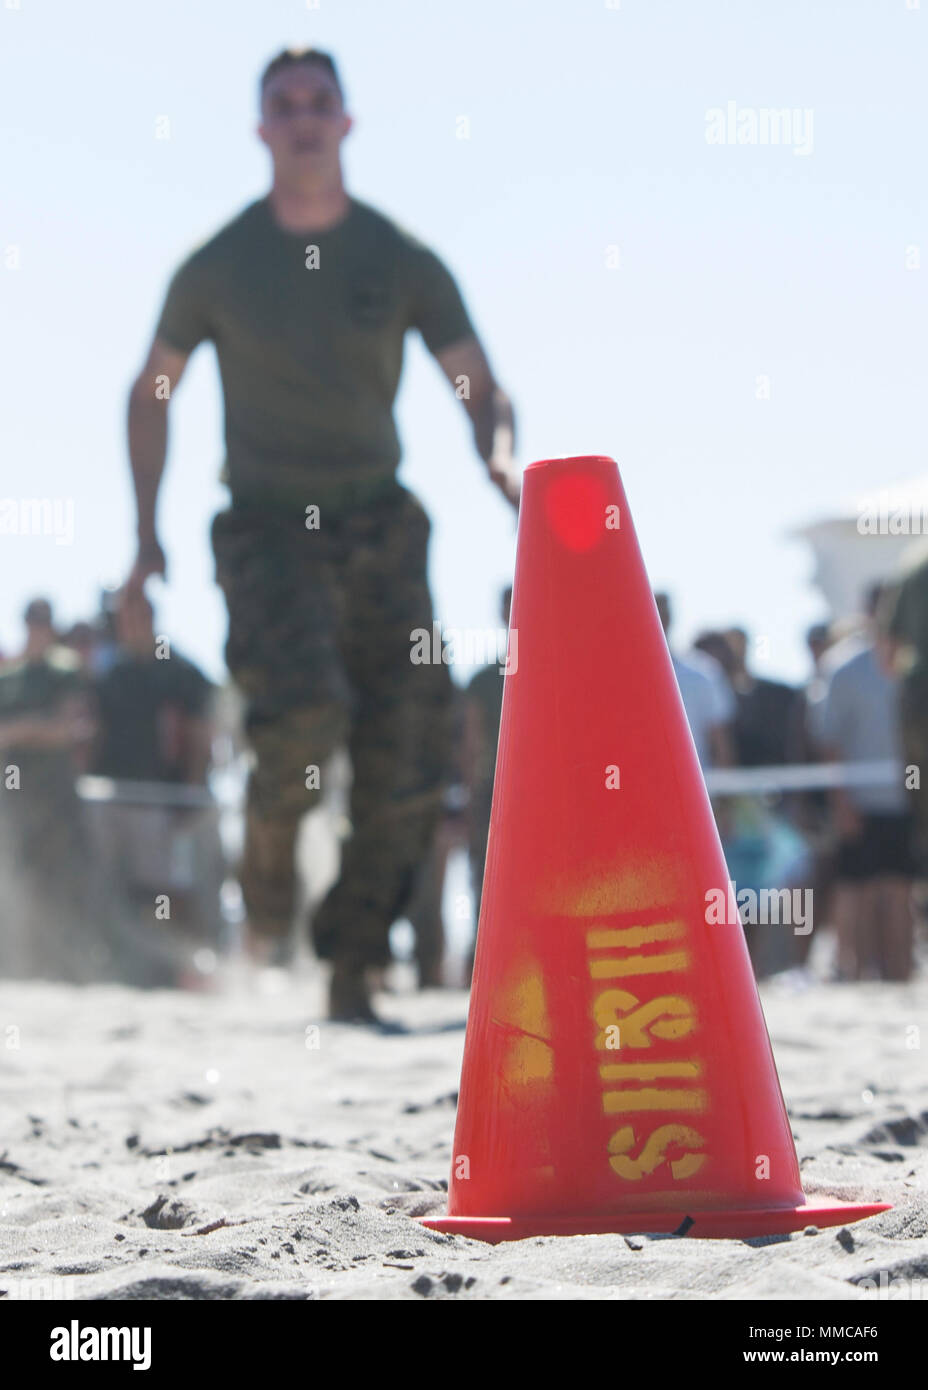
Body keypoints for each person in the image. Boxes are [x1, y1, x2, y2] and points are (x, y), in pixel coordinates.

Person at [126, 48, 519, 1023]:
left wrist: (500, 457)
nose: (303, 120)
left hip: (381, 524)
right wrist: (144, 536)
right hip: (266, 528)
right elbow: (153, 391)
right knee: (299, 716)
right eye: (283, 106)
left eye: (319, 104)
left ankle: (350, 963)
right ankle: (265, 899)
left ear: (346, 122)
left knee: (407, 749)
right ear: (262, 128)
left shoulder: (400, 258)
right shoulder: (217, 266)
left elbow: (474, 377)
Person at [87, 588, 222, 959]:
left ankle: (189, 959)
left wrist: (190, 796)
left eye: (137, 614)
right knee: (113, 885)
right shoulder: (112, 671)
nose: (130, 624)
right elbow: (94, 732)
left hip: (161, 799)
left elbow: (199, 736)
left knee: (164, 889)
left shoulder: (178, 670)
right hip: (110, 794)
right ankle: (123, 960)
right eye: (124, 617)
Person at [811, 584, 915, 981]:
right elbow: (830, 741)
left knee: (899, 887)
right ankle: (856, 973)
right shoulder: (844, 668)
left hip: (906, 800)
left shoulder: (913, 664)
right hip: (858, 798)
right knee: (857, 889)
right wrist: (842, 804)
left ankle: (898, 974)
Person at [654, 595, 734, 770]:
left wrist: (725, 789)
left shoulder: (703, 671)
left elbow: (719, 735)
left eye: (663, 612)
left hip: (698, 783)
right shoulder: (622, 675)